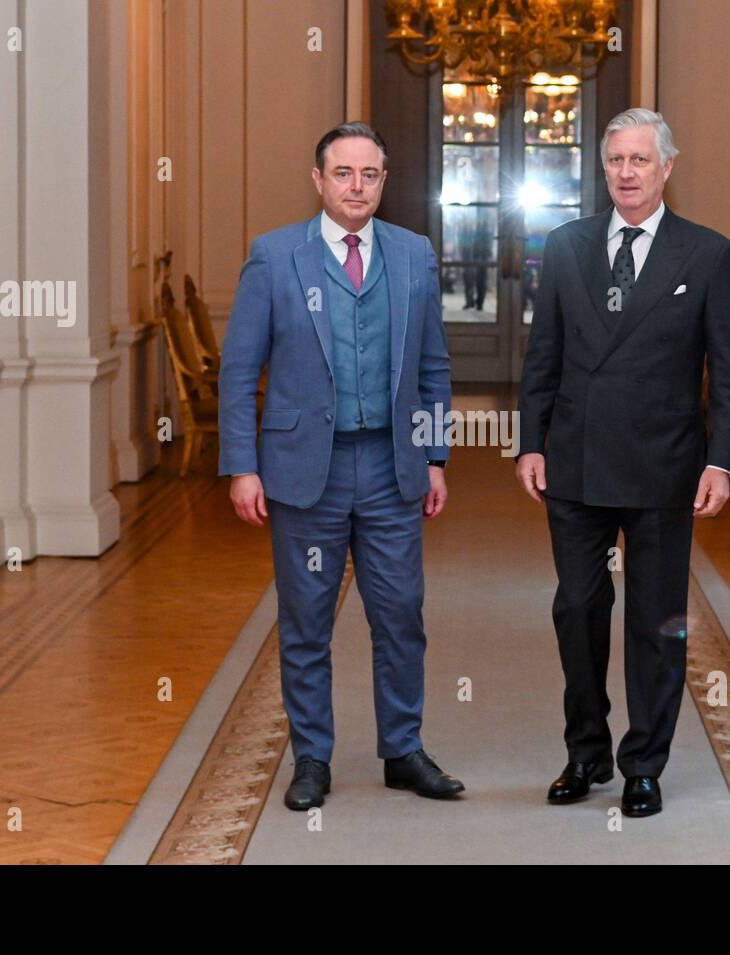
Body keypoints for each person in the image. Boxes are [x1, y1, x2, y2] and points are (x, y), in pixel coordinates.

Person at [219, 122, 463, 811]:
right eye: (344, 174)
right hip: (303, 472)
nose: (357, 187)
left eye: (371, 175)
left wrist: (436, 454)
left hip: (391, 467)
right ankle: (313, 758)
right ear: (319, 179)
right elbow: (239, 371)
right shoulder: (274, 258)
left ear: (384, 181)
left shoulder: (414, 255)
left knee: (400, 615)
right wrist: (243, 466)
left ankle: (404, 749)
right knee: (306, 620)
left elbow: (434, 367)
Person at [516, 108, 730, 818]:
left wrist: (723, 462)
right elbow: (542, 358)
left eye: (639, 160)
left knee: (655, 620)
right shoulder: (564, 246)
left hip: (663, 467)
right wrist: (530, 440)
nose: (626, 172)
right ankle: (585, 752)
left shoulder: (707, 254)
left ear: (667, 167)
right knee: (579, 609)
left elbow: (729, 371)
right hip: (576, 464)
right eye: (615, 159)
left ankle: (644, 761)